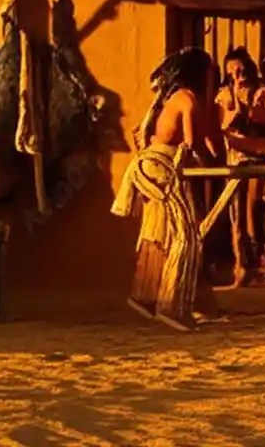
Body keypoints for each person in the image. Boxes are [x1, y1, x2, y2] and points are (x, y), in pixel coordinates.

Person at [111, 47, 221, 331]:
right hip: (161, 168)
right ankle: (173, 307)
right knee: (186, 236)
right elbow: (191, 143)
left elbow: (206, 137)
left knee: (159, 231)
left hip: (150, 165)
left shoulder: (173, 98)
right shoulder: (187, 99)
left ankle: (145, 297)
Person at [215, 47, 265, 286]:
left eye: (242, 70)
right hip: (233, 160)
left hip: (257, 158)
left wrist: (243, 109)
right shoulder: (224, 95)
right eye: (233, 71)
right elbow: (222, 126)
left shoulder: (262, 92)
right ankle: (242, 267)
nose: (239, 75)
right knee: (236, 218)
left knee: (255, 213)